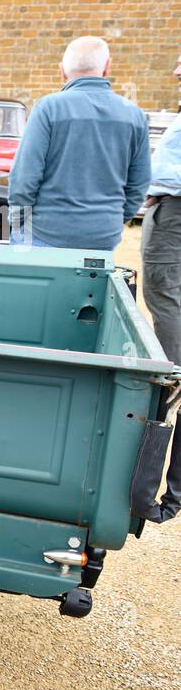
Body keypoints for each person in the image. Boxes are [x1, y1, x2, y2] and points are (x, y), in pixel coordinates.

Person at [7, 37, 151, 250]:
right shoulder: (134, 115)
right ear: (107, 66)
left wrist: (17, 220)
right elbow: (139, 183)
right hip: (103, 234)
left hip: (44, 231)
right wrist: (115, 218)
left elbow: (25, 176)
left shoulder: (49, 108)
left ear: (61, 71)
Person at [141, 50, 181, 517]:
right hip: (167, 205)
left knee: (161, 292)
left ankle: (171, 376)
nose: (174, 71)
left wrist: (155, 188)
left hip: (172, 210)